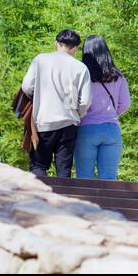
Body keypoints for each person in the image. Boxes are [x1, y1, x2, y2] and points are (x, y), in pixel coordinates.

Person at [20, 29, 92, 179]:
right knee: (64, 170)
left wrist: (38, 97)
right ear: (76, 48)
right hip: (68, 125)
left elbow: (26, 87)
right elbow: (85, 101)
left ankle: (39, 199)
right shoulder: (81, 68)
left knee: (38, 166)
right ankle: (63, 201)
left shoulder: (40, 60)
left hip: (43, 122)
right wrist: (77, 115)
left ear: (56, 44)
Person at [74, 35, 131, 180]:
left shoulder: (82, 75)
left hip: (86, 128)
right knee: (109, 179)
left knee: (84, 179)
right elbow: (125, 104)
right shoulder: (118, 76)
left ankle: (85, 203)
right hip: (111, 129)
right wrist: (111, 114)